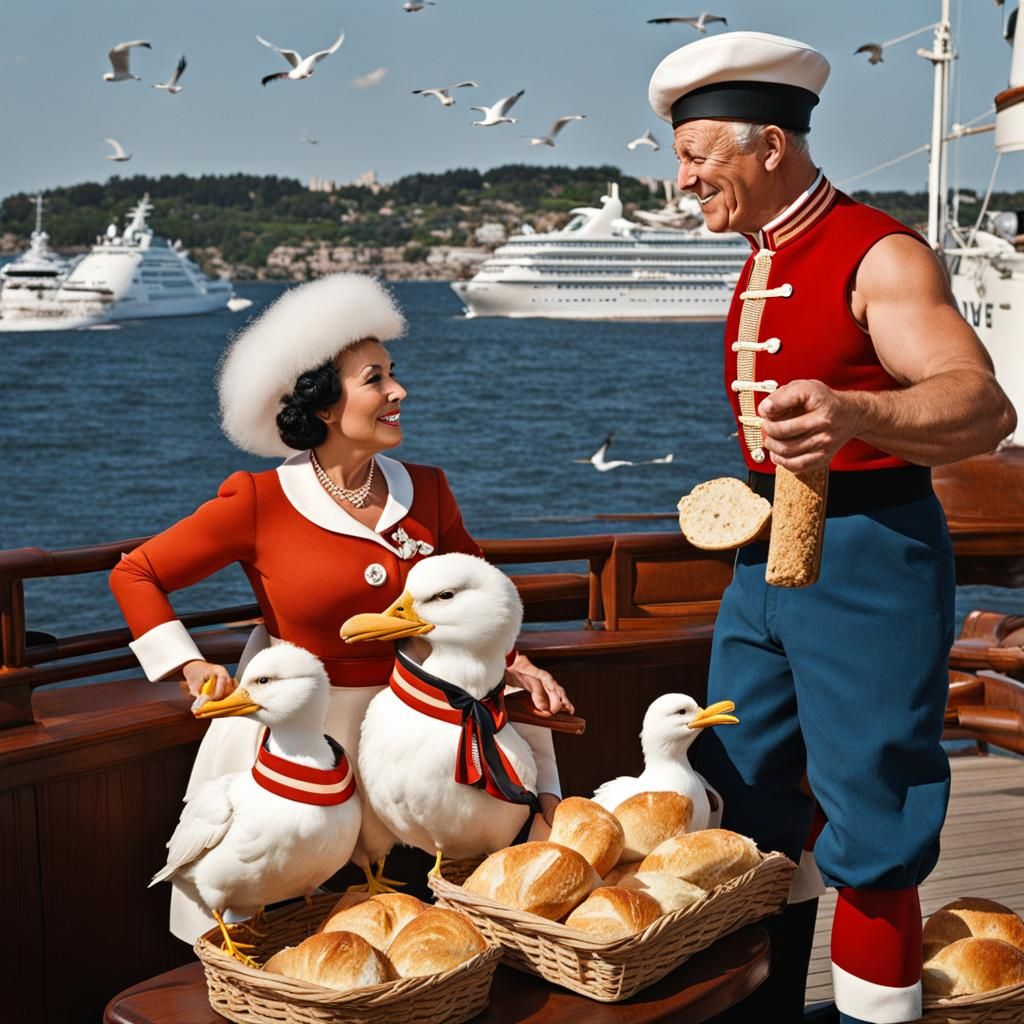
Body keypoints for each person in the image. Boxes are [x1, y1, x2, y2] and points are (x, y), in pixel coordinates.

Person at [648, 31, 1016, 1024]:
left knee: (873, 817)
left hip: (868, 560)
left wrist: (859, 412)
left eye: (696, 156)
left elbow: (981, 407)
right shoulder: (760, 254)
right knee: (743, 791)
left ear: (770, 145)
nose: (681, 179)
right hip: (762, 563)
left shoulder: (877, 251)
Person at [109, 272, 572, 943]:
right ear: (324, 405)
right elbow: (137, 573)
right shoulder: (258, 502)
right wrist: (187, 667)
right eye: (375, 379)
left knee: (417, 923)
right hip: (298, 744)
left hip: (413, 740)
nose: (398, 392)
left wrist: (518, 661)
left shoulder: (431, 492)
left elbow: (482, 598)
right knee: (283, 933)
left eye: (393, 373)